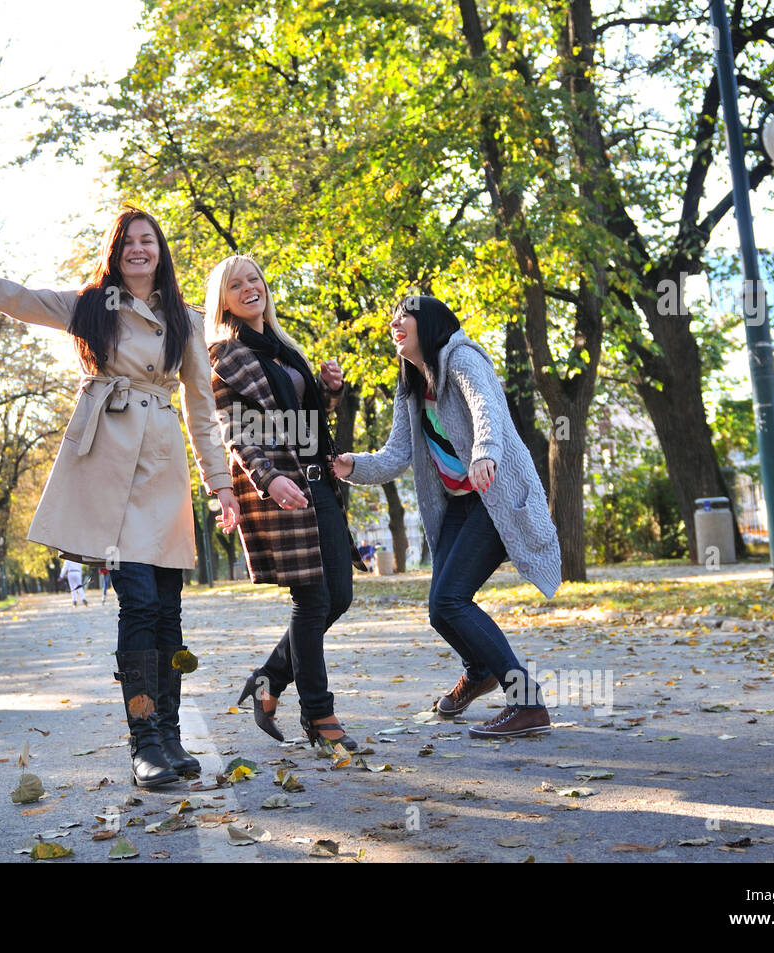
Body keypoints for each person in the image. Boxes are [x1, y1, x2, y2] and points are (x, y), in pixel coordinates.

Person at [0, 206, 241, 789]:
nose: (138, 249)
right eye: (127, 241)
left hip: (165, 473)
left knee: (171, 613)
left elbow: (202, 411)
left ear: (161, 250)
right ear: (115, 251)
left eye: (148, 241)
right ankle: (145, 740)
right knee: (141, 604)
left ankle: (172, 737)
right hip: (108, 472)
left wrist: (220, 485)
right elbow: (7, 296)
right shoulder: (89, 306)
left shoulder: (186, 319)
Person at [333, 295, 561, 738]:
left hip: (495, 496)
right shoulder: (411, 386)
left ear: (430, 322)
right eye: (391, 318)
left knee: (449, 600)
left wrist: (484, 453)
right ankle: (480, 671)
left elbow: (485, 407)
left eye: (404, 316)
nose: (394, 323)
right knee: (441, 610)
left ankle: (527, 703)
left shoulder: (461, 356)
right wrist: (353, 466)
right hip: (462, 503)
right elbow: (397, 454)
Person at [205, 254, 364, 750]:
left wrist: (329, 392)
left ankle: (269, 679)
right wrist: (266, 478)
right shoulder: (224, 357)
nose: (250, 288)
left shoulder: (284, 348)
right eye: (237, 284)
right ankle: (320, 716)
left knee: (339, 596)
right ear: (224, 300)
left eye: (254, 279)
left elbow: (302, 419)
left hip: (320, 485)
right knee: (313, 600)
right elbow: (235, 432)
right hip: (281, 488)